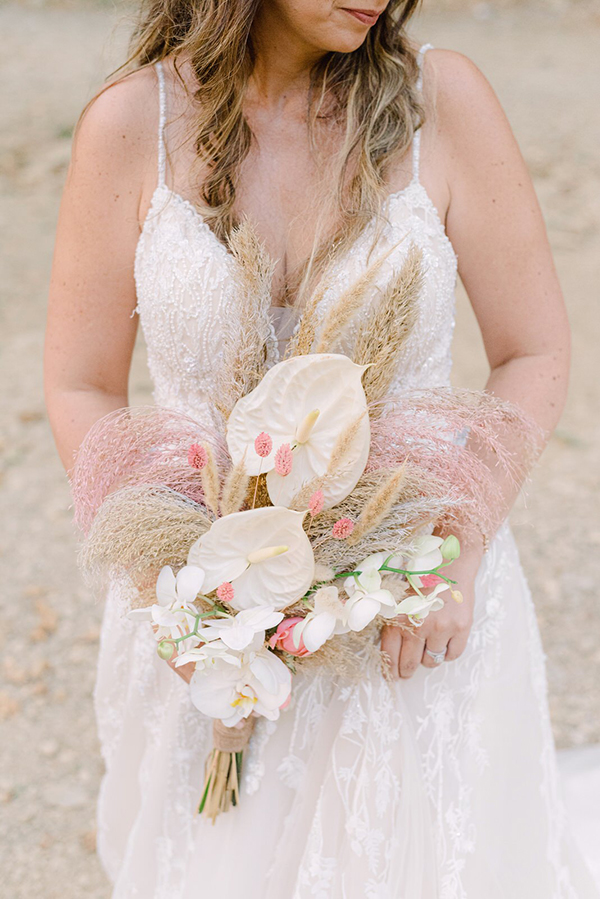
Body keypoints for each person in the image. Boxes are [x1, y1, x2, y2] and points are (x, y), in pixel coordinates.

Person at [44, 0, 598, 896]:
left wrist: (455, 548)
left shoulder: (441, 103)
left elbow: (534, 351)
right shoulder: (129, 126)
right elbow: (82, 385)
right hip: (208, 607)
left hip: (413, 608)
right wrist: (169, 594)